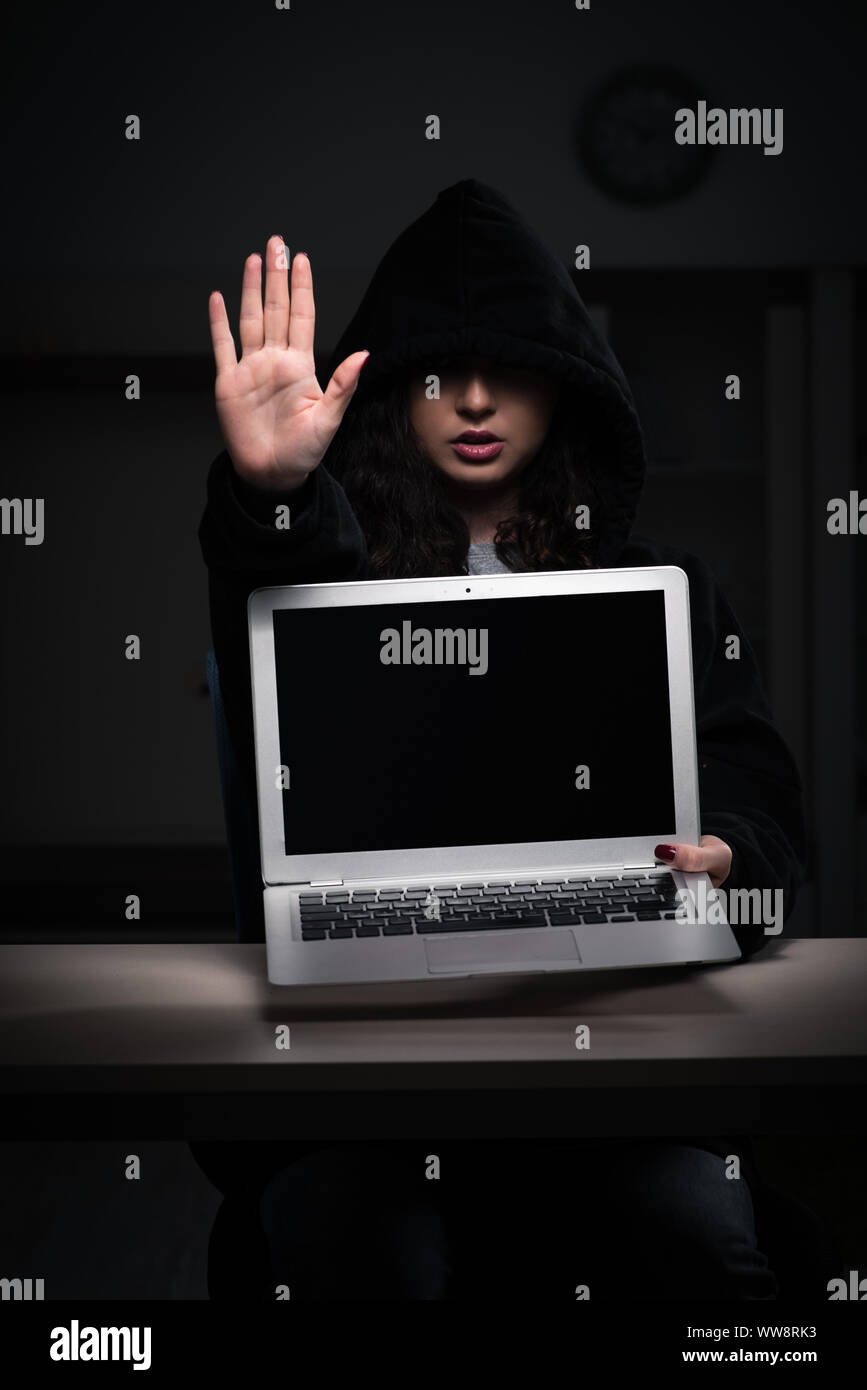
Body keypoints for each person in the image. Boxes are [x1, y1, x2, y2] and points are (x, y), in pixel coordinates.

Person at [195, 179, 808, 1299]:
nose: (474, 401)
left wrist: (726, 852)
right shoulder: (336, 566)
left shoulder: (659, 589)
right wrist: (276, 491)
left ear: (567, 389)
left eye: (511, 371)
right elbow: (273, 596)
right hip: (363, 1067)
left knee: (696, 1240)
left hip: (617, 1059)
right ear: (392, 391)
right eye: (439, 376)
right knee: (382, 1262)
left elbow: (749, 783)